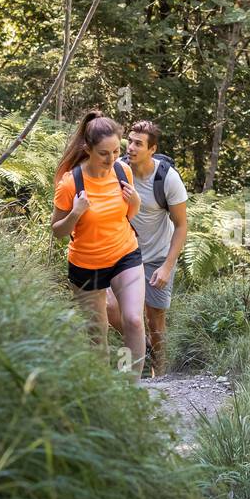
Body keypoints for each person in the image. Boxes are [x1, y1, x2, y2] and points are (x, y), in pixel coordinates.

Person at [51, 109, 146, 374]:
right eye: (104, 153)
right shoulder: (71, 183)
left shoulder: (123, 171)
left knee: (134, 321)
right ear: (88, 149)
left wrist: (135, 203)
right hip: (86, 265)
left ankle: (131, 390)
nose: (111, 158)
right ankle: (105, 396)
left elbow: (127, 214)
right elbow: (57, 231)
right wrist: (76, 213)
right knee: (97, 333)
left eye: (116, 151)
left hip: (124, 253)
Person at [106, 120, 188, 376]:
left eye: (138, 144)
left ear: (152, 149)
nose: (130, 147)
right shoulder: (117, 170)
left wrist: (167, 267)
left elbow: (182, 226)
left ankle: (160, 376)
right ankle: (136, 361)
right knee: (112, 309)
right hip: (124, 255)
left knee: (155, 322)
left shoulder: (167, 179)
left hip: (157, 258)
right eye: (129, 141)